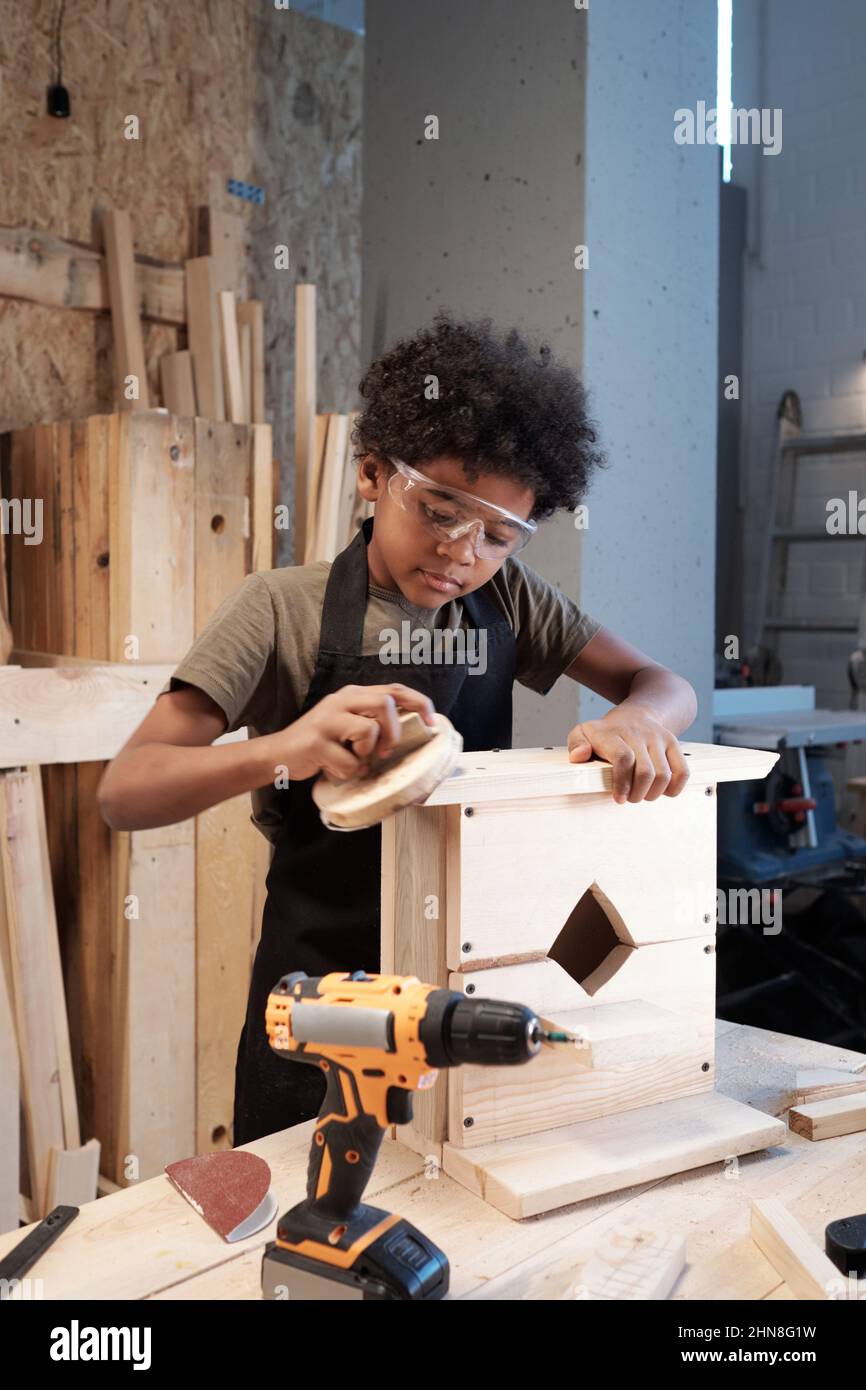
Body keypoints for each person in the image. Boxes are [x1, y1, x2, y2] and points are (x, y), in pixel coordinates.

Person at [98, 312, 697, 1145]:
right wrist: (287, 746)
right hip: (323, 974)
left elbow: (661, 684)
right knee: (309, 1189)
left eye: (499, 534)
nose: (462, 551)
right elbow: (126, 792)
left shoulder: (510, 601)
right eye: (441, 510)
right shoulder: (280, 608)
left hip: (470, 958)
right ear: (375, 474)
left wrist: (636, 720)